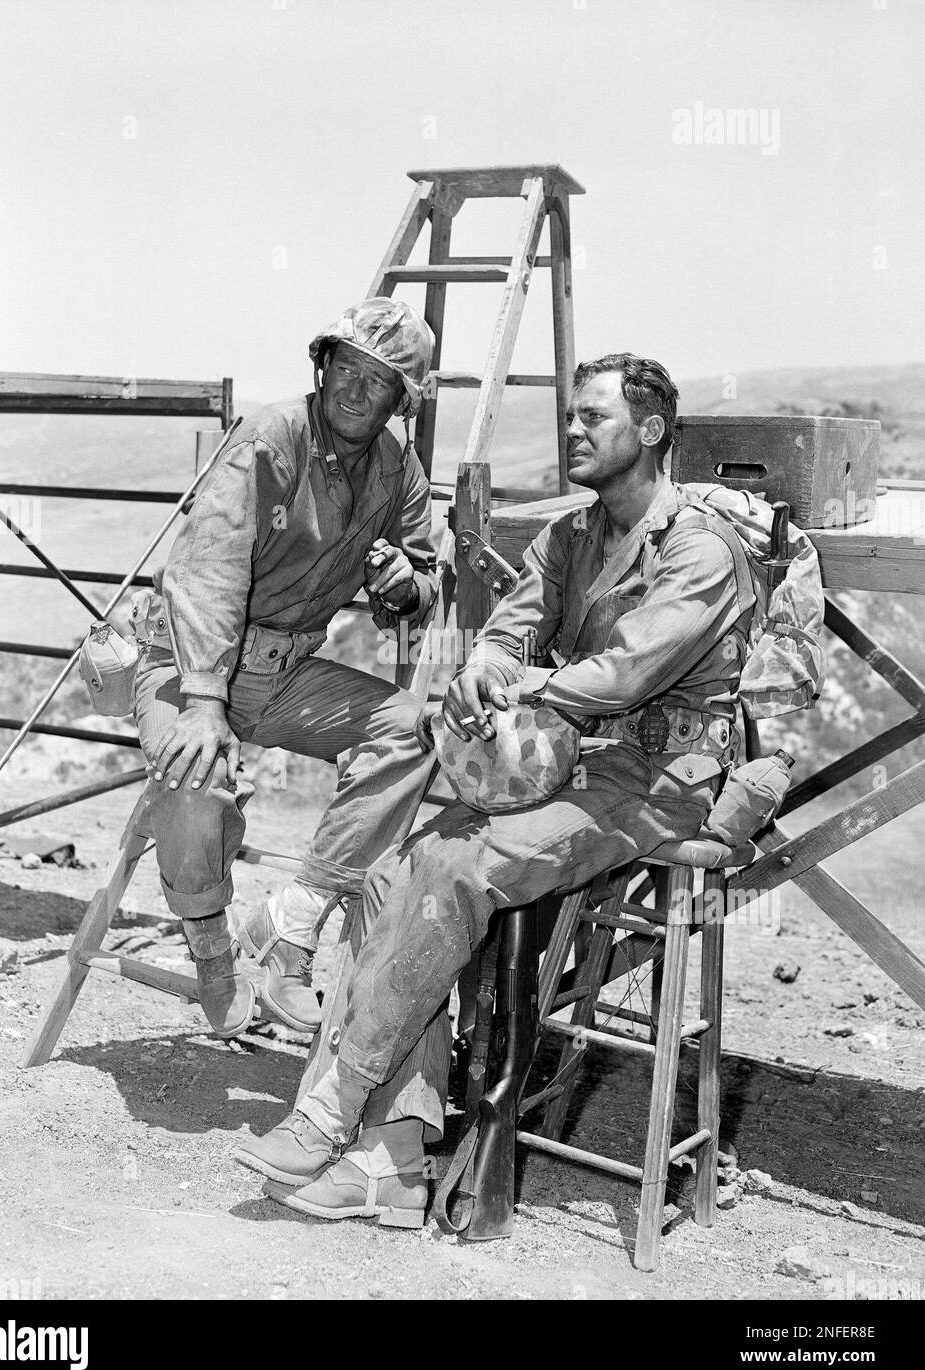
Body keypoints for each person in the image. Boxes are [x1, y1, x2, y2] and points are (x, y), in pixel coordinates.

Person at [240, 352, 758, 1228]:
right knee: (386, 874)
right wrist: (484, 665)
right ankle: (394, 1158)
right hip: (566, 765)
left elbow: (628, 673)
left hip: (656, 779)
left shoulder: (697, 547)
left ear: (653, 431)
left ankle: (330, 1113)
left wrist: (522, 686)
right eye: (572, 417)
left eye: (594, 417)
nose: (575, 431)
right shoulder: (572, 535)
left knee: (451, 871)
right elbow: (510, 626)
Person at [132, 298, 439, 1040]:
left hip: (283, 673)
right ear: (323, 365)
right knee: (193, 772)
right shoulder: (272, 437)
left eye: (380, 381)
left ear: (401, 402)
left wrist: (405, 585)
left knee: (409, 733)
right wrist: (204, 704)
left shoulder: (399, 469)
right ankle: (212, 951)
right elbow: (208, 572)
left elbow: (423, 581)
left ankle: (290, 925)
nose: (356, 390)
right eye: (346, 368)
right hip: (188, 662)